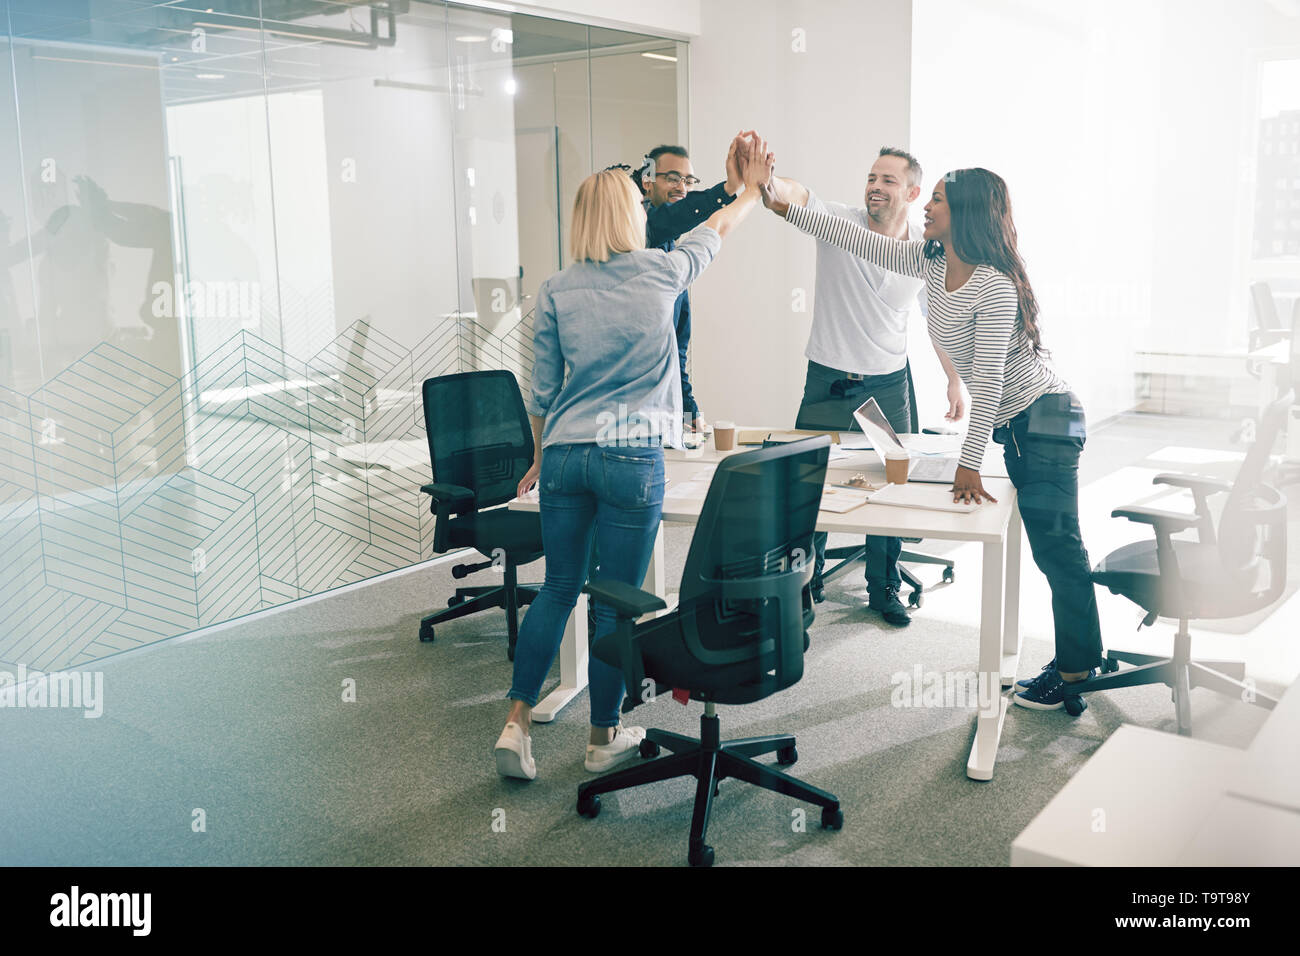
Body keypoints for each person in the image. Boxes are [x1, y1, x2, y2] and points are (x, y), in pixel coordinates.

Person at [761, 165, 1103, 709]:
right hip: (1016, 425)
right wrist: (785, 209)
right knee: (1051, 547)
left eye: (937, 200)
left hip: (1046, 421)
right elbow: (854, 238)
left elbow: (987, 379)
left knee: (1058, 549)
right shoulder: (932, 260)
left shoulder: (993, 284)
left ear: (962, 213)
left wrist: (968, 464)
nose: (926, 209)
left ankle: (1077, 669)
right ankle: (1080, 660)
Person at [494, 135, 773, 779]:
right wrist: (751, 189)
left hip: (566, 452)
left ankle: (516, 722)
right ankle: (602, 738)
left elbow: (540, 389)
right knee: (614, 601)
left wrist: (539, 456)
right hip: (629, 454)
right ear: (632, 215)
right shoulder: (663, 270)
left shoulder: (555, 289)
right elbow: (719, 227)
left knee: (558, 587)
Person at [769, 148, 965, 626]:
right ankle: (804, 584)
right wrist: (771, 179)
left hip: (886, 383)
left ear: (913, 192)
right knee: (809, 486)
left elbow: (935, 319)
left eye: (889, 180)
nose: (876, 186)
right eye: (872, 177)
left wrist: (954, 378)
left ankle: (884, 589)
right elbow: (796, 194)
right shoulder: (839, 222)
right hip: (827, 380)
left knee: (891, 488)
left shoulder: (926, 249)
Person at [632, 141, 750, 435]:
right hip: (628, 414)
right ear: (647, 181)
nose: (681, 187)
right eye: (672, 177)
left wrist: (690, 411)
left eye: (688, 180)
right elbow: (673, 217)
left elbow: (677, 347)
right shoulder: (641, 228)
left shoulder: (672, 250)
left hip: (660, 411)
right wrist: (729, 190)